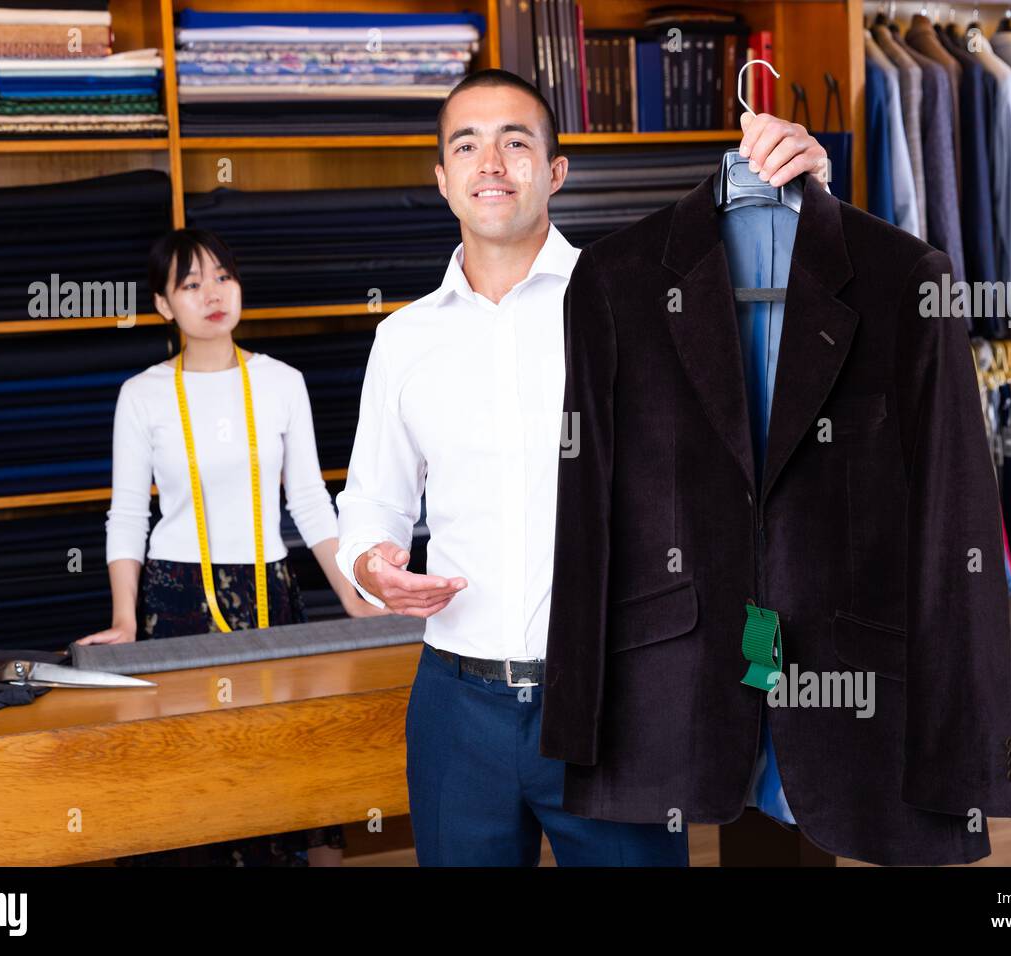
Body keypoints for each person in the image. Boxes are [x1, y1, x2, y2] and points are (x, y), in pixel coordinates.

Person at [334, 69, 830, 865]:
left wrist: (803, 197)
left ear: (557, 172)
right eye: (467, 144)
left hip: (612, 701)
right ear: (442, 180)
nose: (490, 161)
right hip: (455, 708)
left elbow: (778, 339)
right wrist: (370, 562)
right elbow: (372, 503)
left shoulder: (638, 306)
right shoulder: (403, 341)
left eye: (516, 141)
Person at [78, 227, 384, 865]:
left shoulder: (281, 382)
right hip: (175, 596)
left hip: (271, 590)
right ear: (164, 307)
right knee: (193, 763)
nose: (212, 294)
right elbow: (129, 512)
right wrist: (124, 619)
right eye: (190, 284)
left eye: (222, 276)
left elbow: (307, 500)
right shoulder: (142, 395)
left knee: (290, 753)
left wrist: (354, 597)